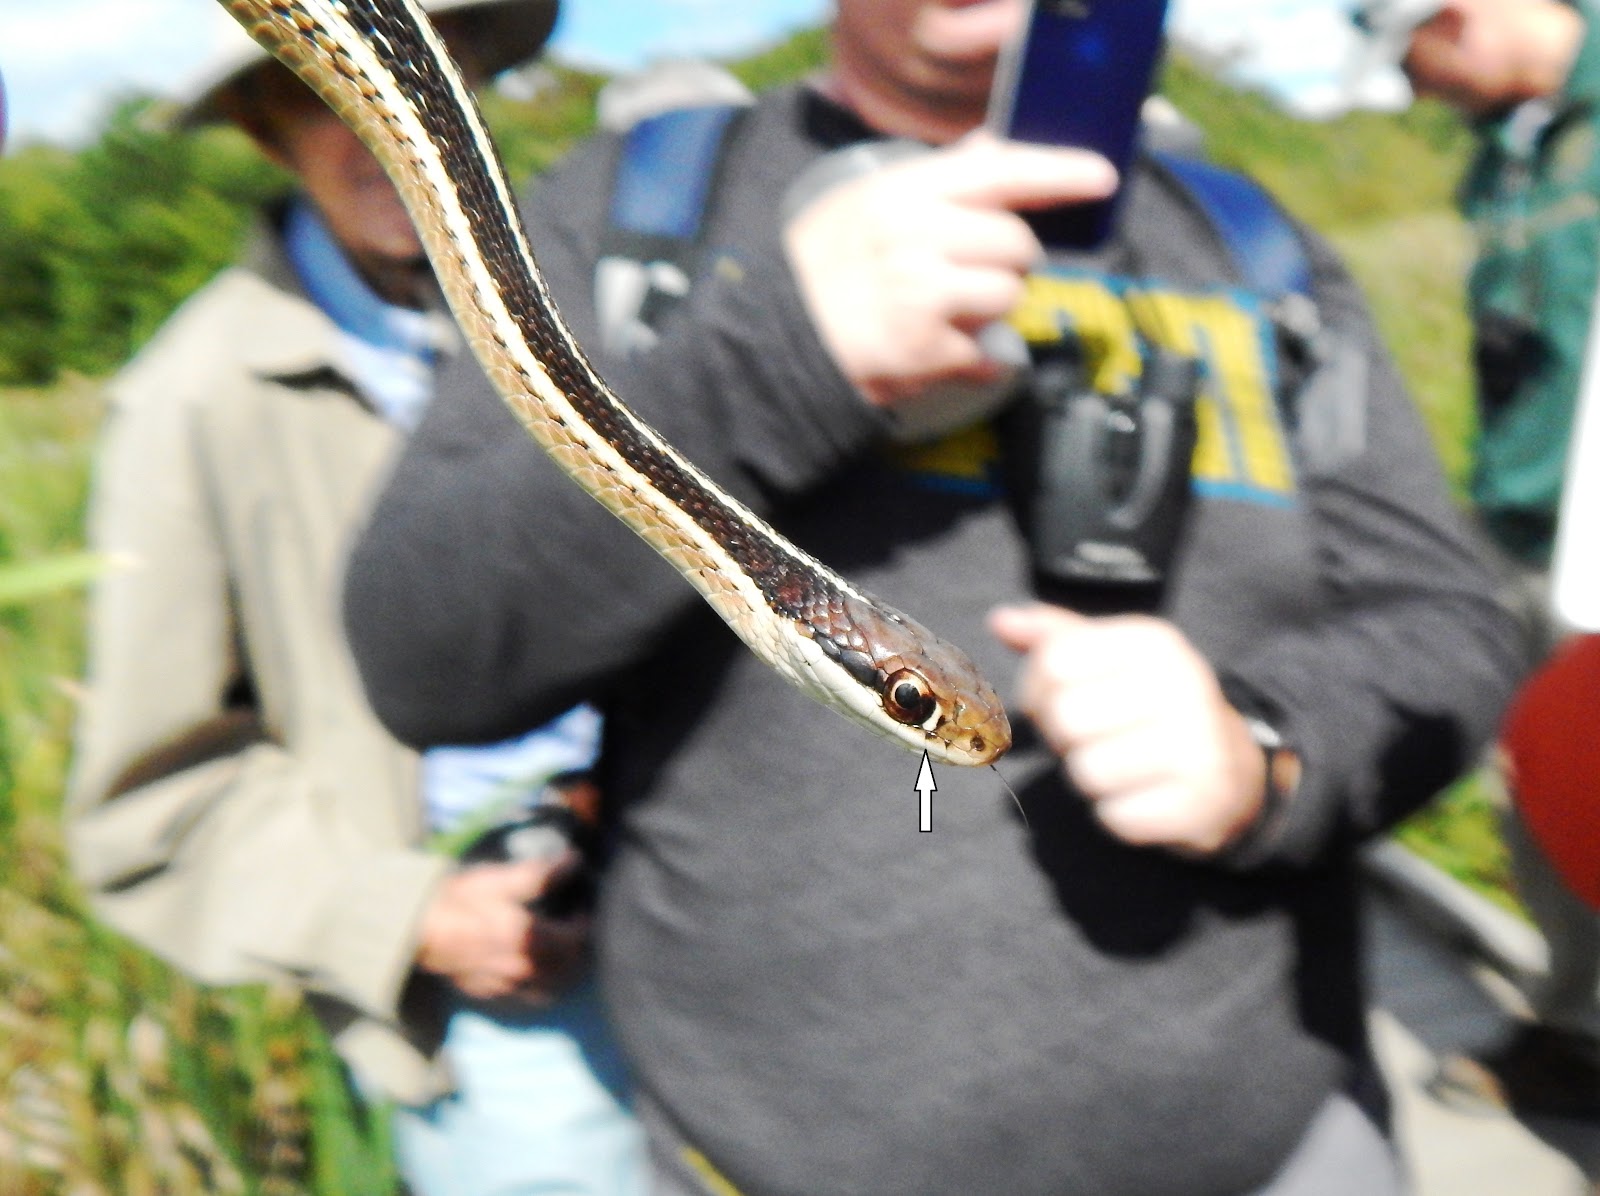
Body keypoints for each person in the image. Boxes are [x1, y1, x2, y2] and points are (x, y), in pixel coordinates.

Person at [344, 0, 1528, 1190]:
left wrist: (1269, 751)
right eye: (914, 705)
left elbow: (1452, 614)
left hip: (1281, 1143)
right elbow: (422, 660)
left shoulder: (1243, 236)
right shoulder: (631, 207)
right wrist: (782, 354)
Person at [62, 3, 648, 1192]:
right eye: (325, 94)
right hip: (505, 1015)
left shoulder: (610, 302)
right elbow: (145, 805)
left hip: (696, 919)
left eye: (435, 78)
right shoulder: (195, 397)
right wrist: (414, 913)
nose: (379, 124)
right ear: (269, 124)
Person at [1355, 0, 1600, 1120]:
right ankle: (1574, 1030)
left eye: (1415, 64)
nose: (1421, 94)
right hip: (1526, 534)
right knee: (1545, 787)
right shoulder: (1504, 154)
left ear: (1452, 18)